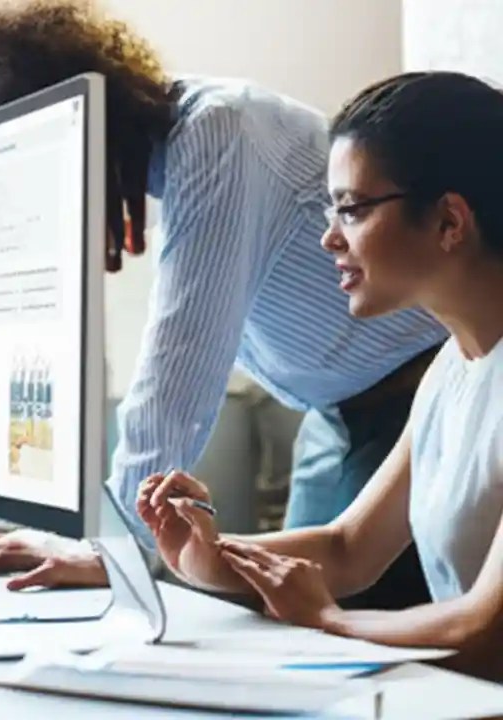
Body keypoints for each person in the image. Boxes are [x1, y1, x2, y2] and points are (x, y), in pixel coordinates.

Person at [0, 0, 447, 610]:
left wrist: (111, 550)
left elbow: (179, 362)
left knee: (356, 634)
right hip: (336, 417)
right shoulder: (181, 155)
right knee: (290, 614)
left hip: (413, 401)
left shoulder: (217, 132)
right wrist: (62, 535)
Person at [138, 70, 503, 680]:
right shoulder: (452, 367)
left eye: (353, 210)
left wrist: (330, 622)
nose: (330, 238)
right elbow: (346, 549)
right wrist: (206, 555)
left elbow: (485, 630)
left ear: (449, 222)